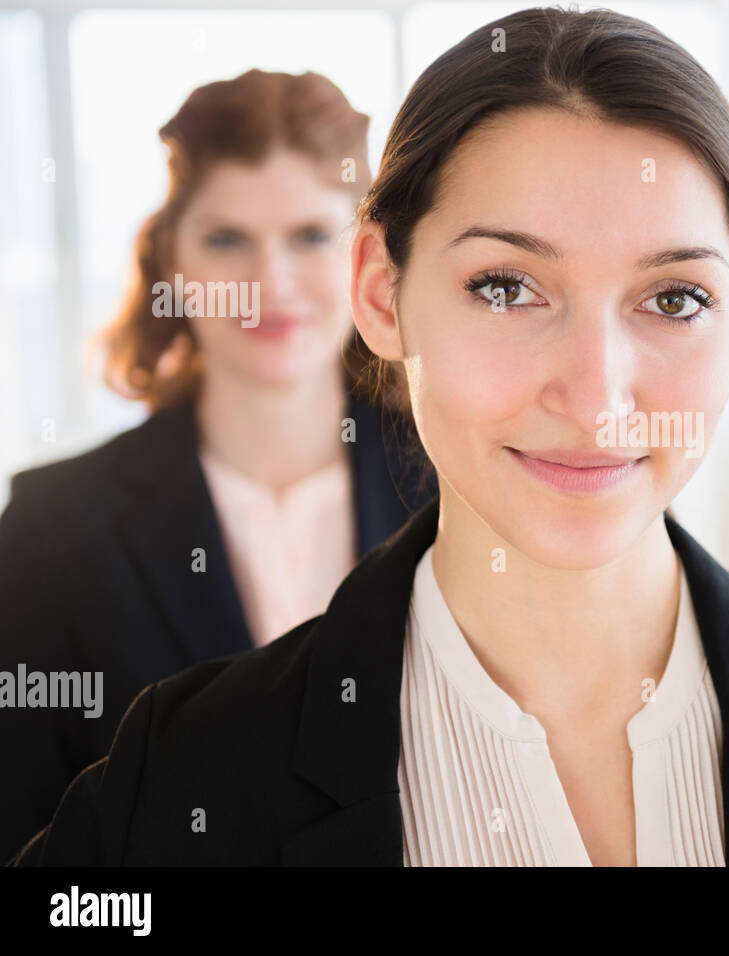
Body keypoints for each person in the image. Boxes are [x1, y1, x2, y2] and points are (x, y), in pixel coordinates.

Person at [14, 7, 729, 867]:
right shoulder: (187, 769)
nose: (595, 392)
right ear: (381, 292)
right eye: (506, 286)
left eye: (673, 297)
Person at [0, 70, 431, 863]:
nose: (269, 285)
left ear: (368, 262)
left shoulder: (459, 483)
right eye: (227, 239)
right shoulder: (52, 525)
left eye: (310, 236)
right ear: (171, 259)